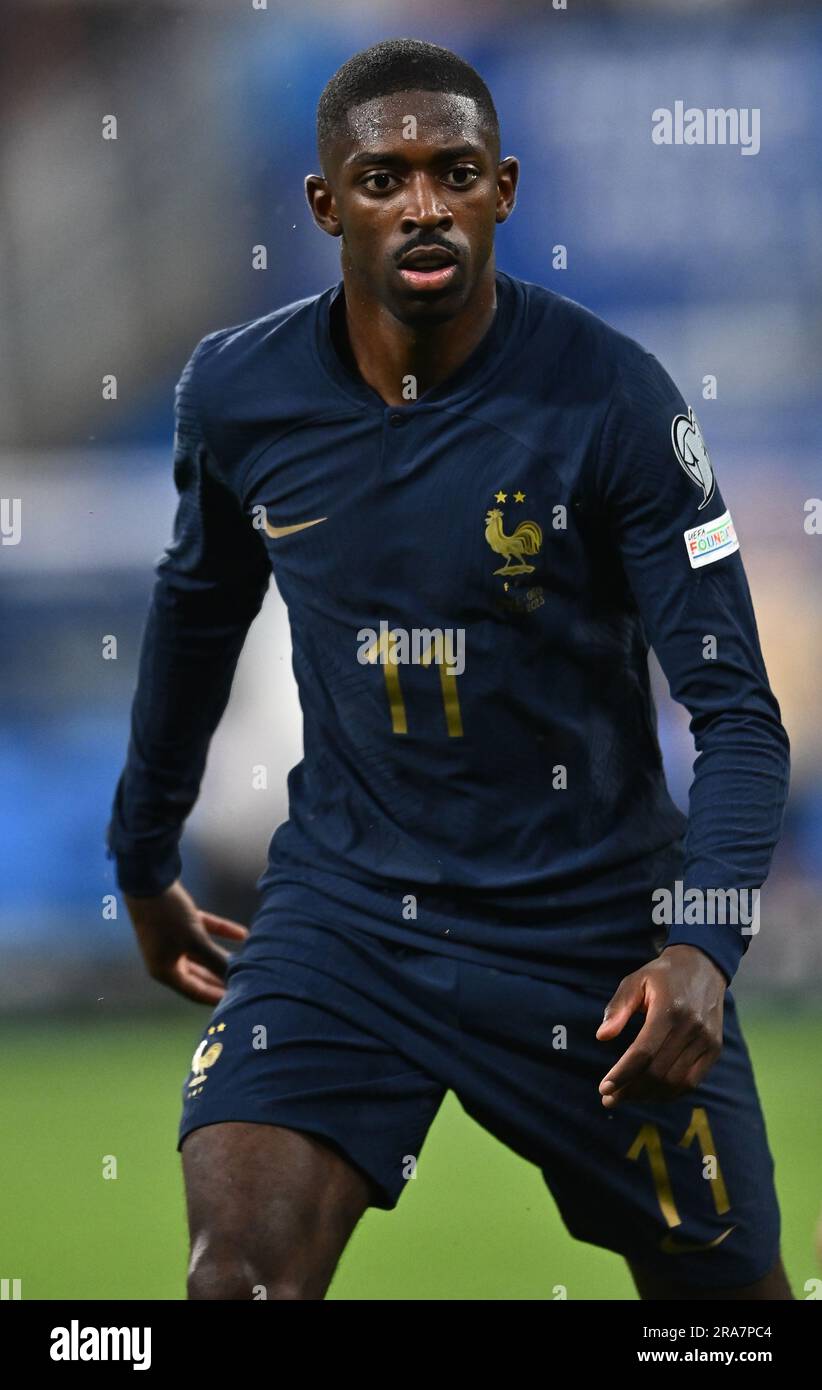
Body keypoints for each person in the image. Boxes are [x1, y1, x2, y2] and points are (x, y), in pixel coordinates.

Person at [107, 38, 792, 1301]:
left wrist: (702, 944)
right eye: (383, 178)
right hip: (347, 915)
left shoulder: (616, 403)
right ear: (325, 204)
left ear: (504, 190)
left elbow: (740, 716)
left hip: (594, 935)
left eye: (454, 171)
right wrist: (141, 855)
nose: (423, 204)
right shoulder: (241, 395)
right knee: (236, 1281)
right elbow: (195, 613)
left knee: (729, 1316)